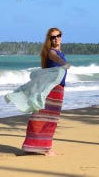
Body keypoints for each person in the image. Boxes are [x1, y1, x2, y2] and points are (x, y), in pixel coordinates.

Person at [21, 27, 69, 155]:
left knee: (50, 119)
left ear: (61, 36)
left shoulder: (58, 51)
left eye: (58, 35)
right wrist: (62, 62)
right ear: (49, 39)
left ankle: (38, 147)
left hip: (59, 89)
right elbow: (55, 58)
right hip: (51, 89)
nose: (56, 39)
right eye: (52, 37)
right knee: (42, 117)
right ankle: (41, 148)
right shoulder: (51, 52)